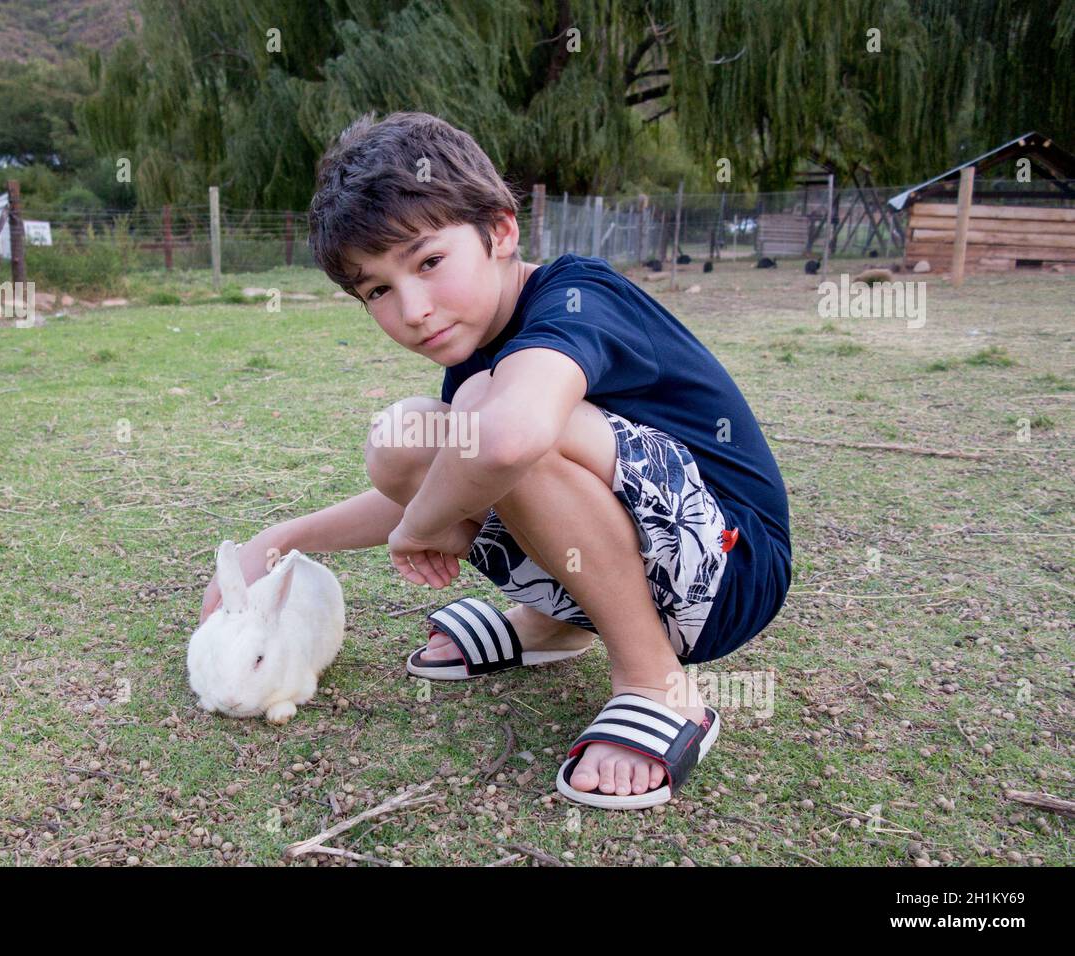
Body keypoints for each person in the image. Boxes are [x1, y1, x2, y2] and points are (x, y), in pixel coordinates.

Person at [200, 111, 791, 809]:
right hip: (644, 562)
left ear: (502, 231)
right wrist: (280, 543)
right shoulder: (474, 354)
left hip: (729, 566)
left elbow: (511, 439)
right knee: (411, 437)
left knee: (486, 417)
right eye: (378, 290)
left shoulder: (576, 297)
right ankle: (562, 625)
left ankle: (653, 679)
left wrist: (425, 525)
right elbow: (435, 477)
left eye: (428, 262)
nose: (413, 309)